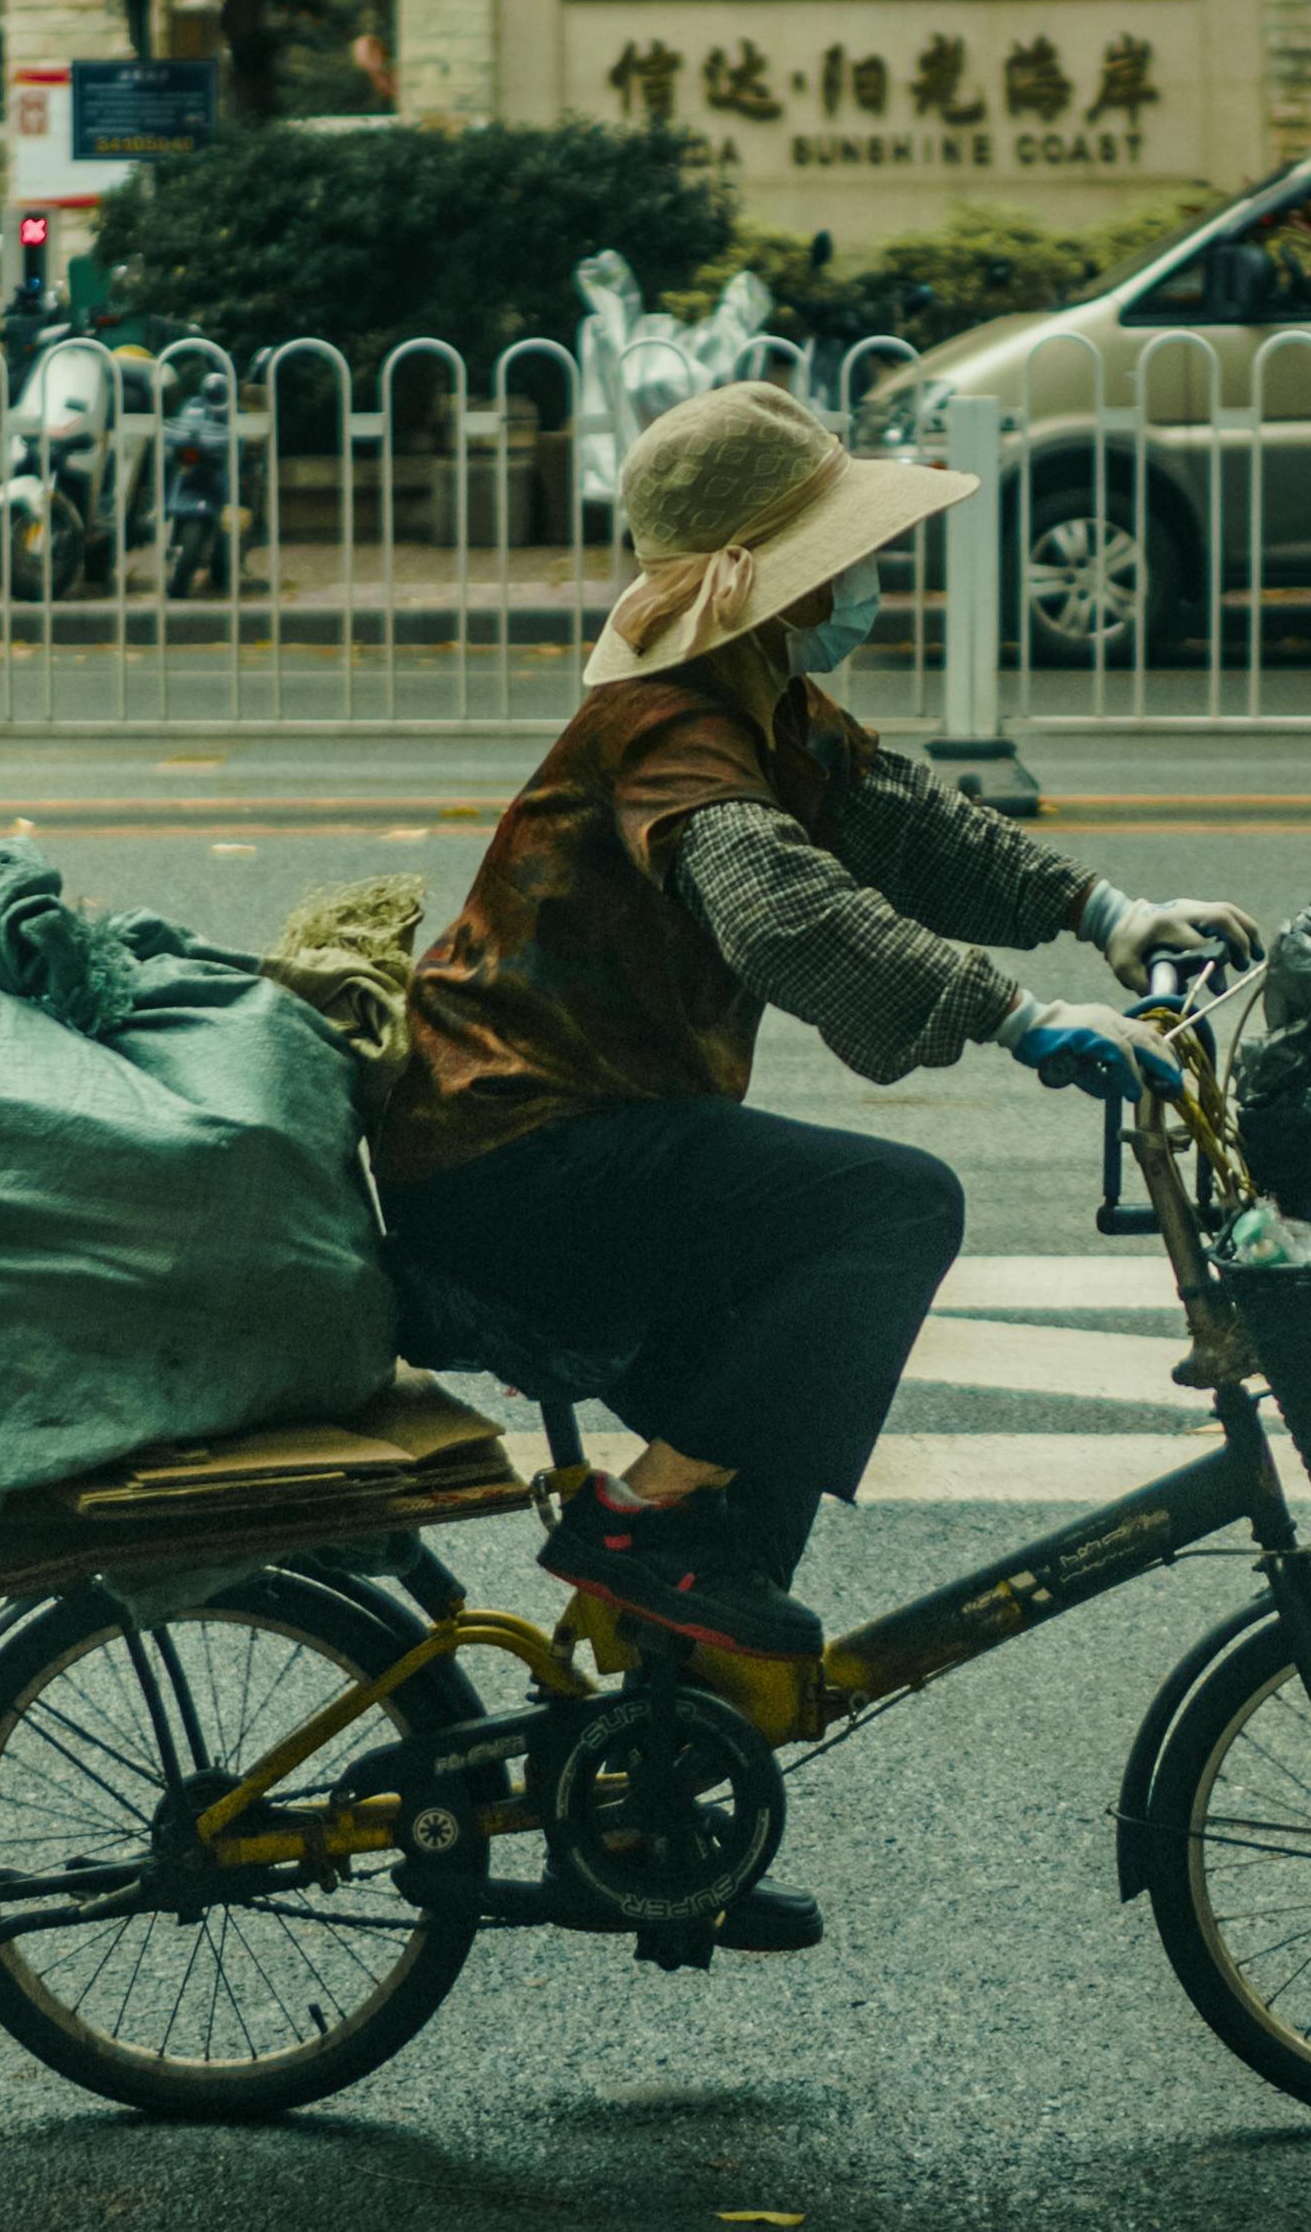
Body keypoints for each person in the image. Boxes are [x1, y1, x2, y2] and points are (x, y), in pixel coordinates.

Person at [377, 380, 1261, 1718]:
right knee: (893, 1204)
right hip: (507, 1149)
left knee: (782, 1395)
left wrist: (1108, 915)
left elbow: (904, 820)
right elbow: (776, 899)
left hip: (560, 1141)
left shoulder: (766, 703)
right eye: (843, 557)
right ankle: (634, 1523)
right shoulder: (670, 727)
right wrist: (1014, 1018)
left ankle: (661, 1771)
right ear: (775, 584)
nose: (870, 579)